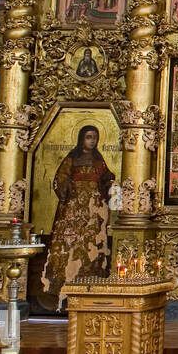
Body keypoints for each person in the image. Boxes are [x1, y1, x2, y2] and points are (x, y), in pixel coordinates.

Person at [40, 125, 115, 310]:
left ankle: (89, 280)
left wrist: (110, 183)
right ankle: (63, 284)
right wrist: (70, 191)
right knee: (70, 244)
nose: (92, 141)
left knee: (90, 243)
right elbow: (60, 179)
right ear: (81, 138)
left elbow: (106, 178)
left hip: (93, 210)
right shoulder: (72, 158)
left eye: (95, 138)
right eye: (89, 137)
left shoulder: (99, 160)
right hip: (73, 209)